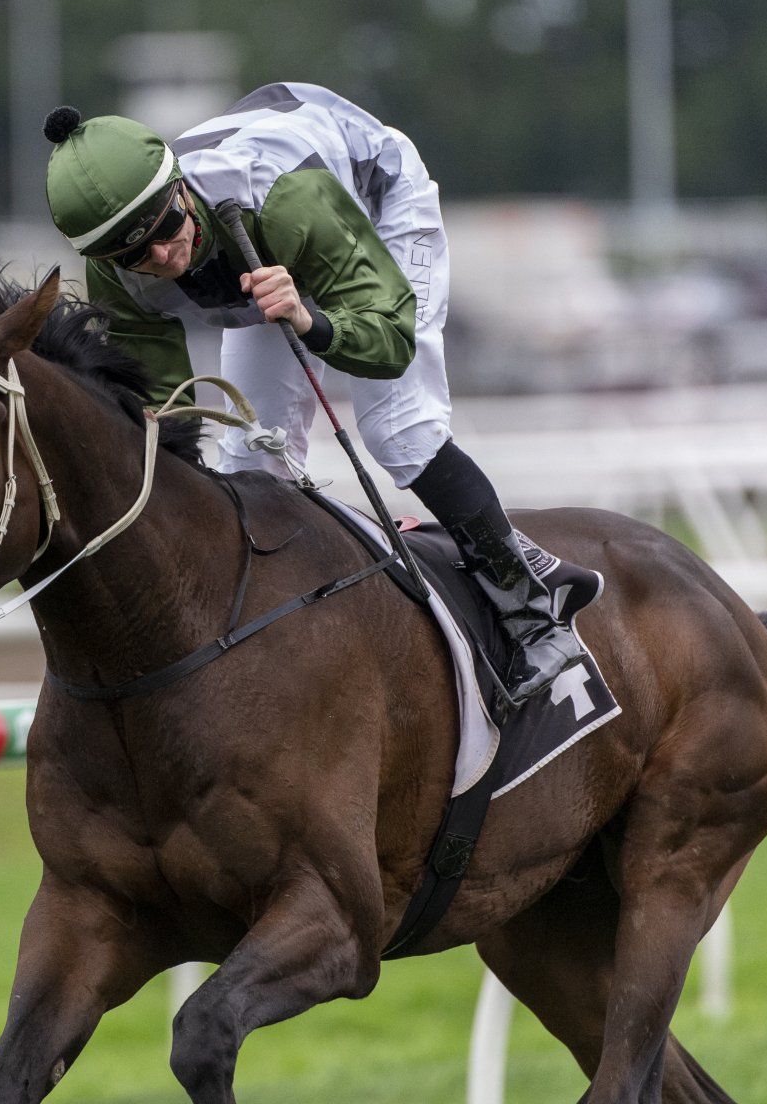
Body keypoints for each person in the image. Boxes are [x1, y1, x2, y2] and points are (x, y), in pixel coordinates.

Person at [42, 82, 599, 708]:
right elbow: (168, 411)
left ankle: (533, 611)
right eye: (135, 255)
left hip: (369, 208)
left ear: (180, 191)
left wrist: (313, 322)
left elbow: (390, 340)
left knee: (400, 432)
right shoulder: (119, 270)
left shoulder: (287, 202)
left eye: (169, 227)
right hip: (261, 250)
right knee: (251, 461)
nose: (165, 256)